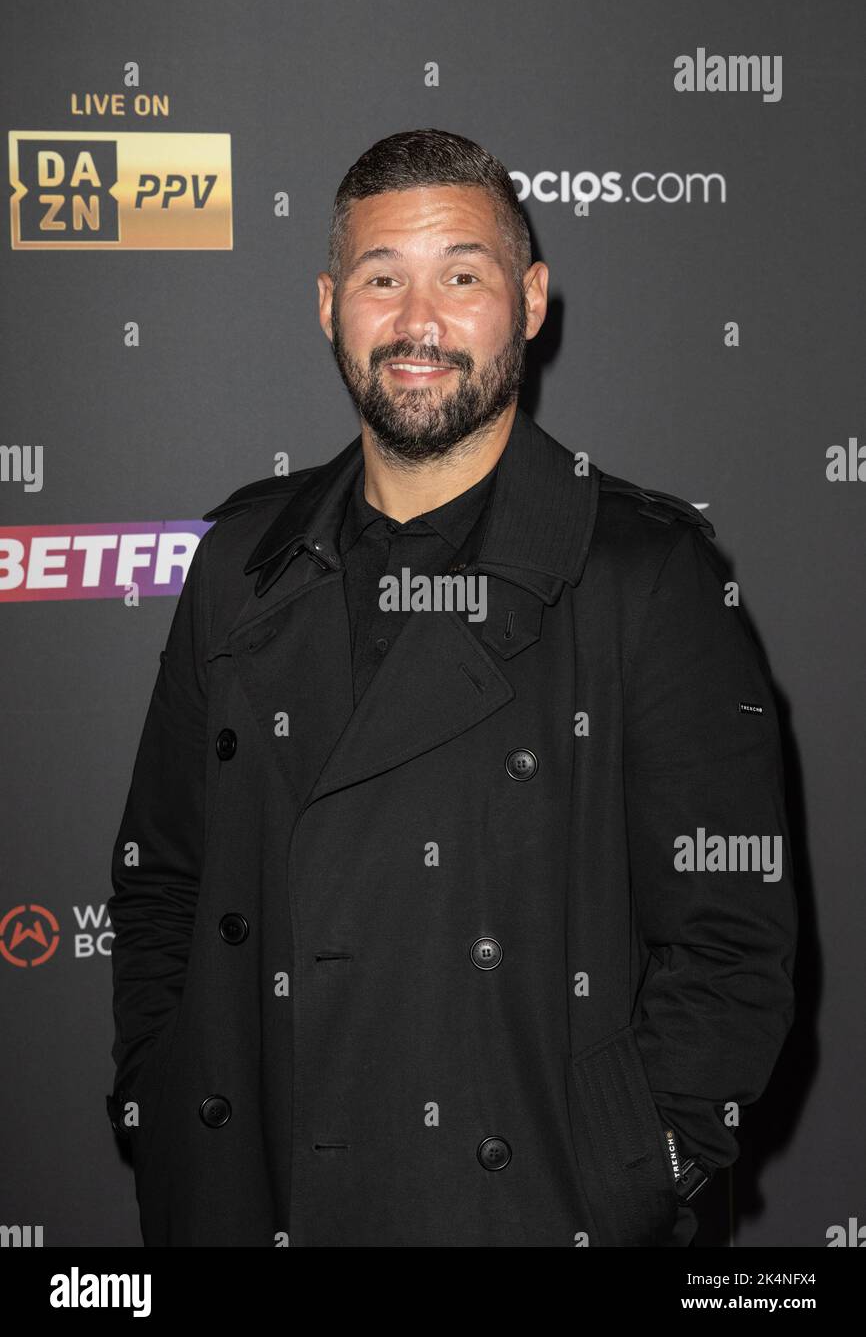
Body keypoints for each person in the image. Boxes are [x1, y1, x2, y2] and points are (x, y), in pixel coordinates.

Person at [106, 128, 797, 1247]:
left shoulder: (640, 572)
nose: (415, 322)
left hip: (513, 1209)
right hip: (249, 1195)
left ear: (527, 301)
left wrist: (636, 1162)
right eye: (382, 278)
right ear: (328, 303)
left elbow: (728, 939)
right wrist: (168, 1100)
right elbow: (160, 881)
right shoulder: (239, 560)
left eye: (459, 276)